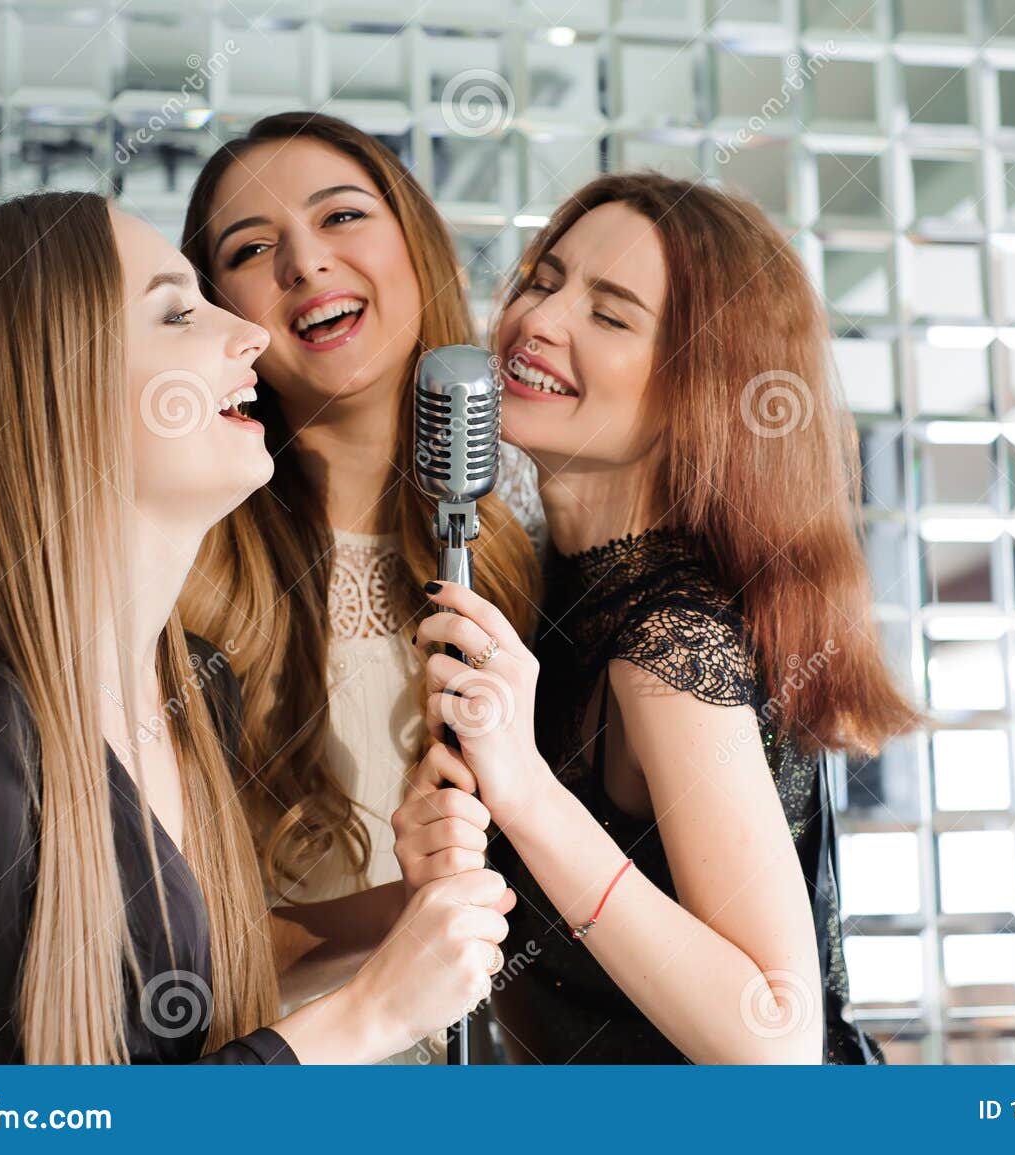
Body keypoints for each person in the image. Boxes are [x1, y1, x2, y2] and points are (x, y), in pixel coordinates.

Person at [0, 191, 511, 1064]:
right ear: (59, 388)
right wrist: (369, 1015)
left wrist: (403, 915)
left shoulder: (194, 681)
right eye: (179, 312)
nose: (250, 334)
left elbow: (172, 992)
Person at [392, 172, 917, 1063]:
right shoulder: (562, 598)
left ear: (696, 390)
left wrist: (522, 791)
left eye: (610, 314)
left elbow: (776, 1039)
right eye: (544, 278)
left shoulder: (667, 641)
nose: (539, 322)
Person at [174, 114, 541, 1046]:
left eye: (341, 217)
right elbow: (151, 950)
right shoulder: (185, 585)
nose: (305, 263)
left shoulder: (522, 567)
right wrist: (409, 914)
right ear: (223, 315)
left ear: (415, 244)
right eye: (253, 248)